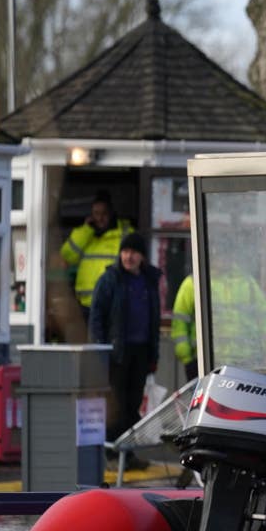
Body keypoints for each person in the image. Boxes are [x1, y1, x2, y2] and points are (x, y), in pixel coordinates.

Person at [89, 231, 161, 470]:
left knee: (133, 404)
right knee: (117, 404)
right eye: (125, 251)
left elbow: (155, 321)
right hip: (116, 354)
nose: (128, 257)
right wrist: (101, 348)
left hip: (140, 352)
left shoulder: (149, 282)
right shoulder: (110, 279)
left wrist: (153, 355)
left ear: (142, 256)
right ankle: (113, 453)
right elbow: (96, 316)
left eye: (133, 252)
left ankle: (128, 454)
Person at [61, 192, 134, 323]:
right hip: (86, 307)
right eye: (96, 213)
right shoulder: (85, 234)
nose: (100, 218)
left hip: (114, 305)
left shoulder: (125, 233)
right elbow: (67, 256)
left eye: (104, 213)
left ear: (111, 213)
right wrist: (86, 230)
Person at [171, 273, 198, 382]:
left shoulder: (247, 282)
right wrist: (187, 358)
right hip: (199, 360)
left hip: (239, 362)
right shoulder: (192, 283)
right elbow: (180, 320)